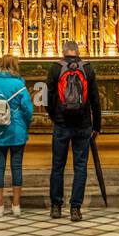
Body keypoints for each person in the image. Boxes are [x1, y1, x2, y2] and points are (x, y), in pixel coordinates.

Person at [46, 40, 102, 223]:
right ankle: (75, 208)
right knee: (80, 167)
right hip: (83, 124)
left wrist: (54, 117)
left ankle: (56, 206)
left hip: (61, 125)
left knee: (57, 166)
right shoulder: (87, 68)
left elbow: (48, 97)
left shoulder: (55, 68)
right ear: (78, 52)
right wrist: (97, 126)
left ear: (63, 52)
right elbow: (95, 98)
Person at [0, 56, 34, 219]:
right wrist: (25, 123)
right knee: (16, 167)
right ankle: (16, 206)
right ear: (15, 66)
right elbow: (28, 109)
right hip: (17, 131)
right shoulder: (19, 85)